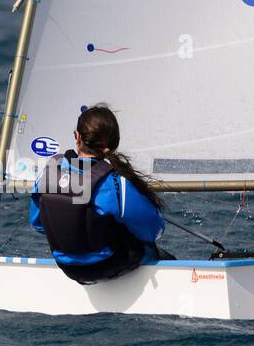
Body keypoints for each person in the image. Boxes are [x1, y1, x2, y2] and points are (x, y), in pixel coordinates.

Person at [29, 104, 170, 284]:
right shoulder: (116, 183)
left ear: (77, 137)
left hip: (66, 267)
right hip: (106, 266)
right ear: (113, 144)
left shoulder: (47, 172)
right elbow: (153, 230)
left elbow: (37, 224)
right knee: (154, 251)